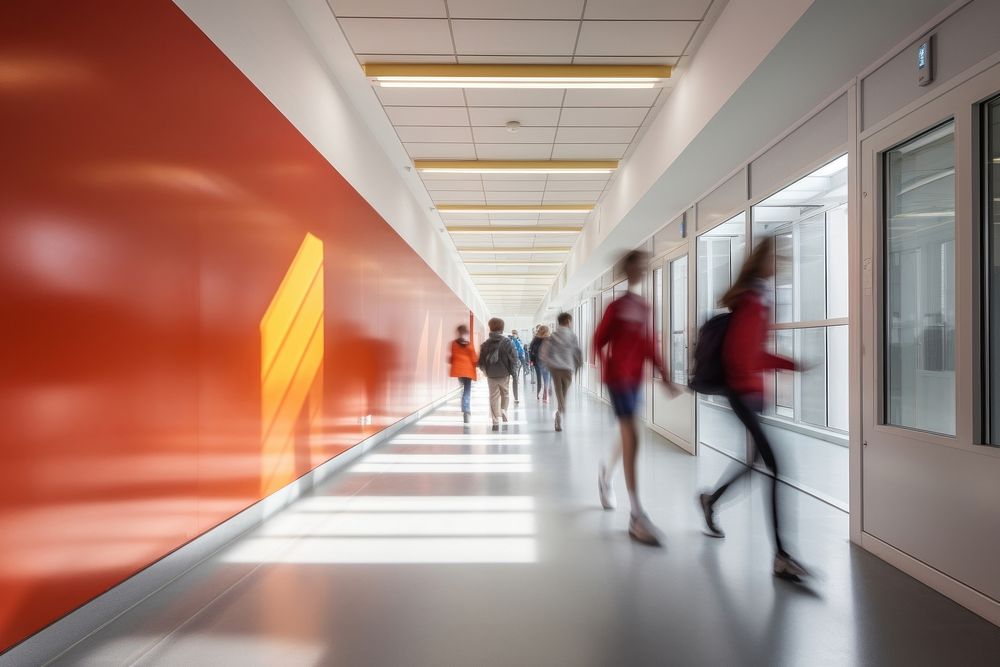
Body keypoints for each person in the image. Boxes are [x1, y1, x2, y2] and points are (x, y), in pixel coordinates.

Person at [697, 237, 810, 581]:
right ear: (765, 261)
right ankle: (781, 555)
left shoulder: (757, 297)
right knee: (775, 465)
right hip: (743, 392)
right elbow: (744, 355)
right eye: (779, 257)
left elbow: (750, 350)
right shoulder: (753, 299)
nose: (783, 262)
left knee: (755, 463)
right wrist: (790, 363)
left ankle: (711, 501)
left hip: (752, 393)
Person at [594, 250, 678, 546]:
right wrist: (606, 367)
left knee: (628, 433)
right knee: (633, 435)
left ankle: (606, 474)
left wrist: (665, 376)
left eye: (644, 265)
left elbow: (649, 344)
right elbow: (598, 340)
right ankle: (637, 515)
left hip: (635, 381)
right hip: (618, 379)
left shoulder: (644, 306)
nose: (642, 269)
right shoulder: (615, 306)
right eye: (637, 265)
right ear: (627, 270)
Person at [540, 312, 583, 432]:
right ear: (568, 321)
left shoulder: (552, 336)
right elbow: (577, 352)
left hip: (554, 368)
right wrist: (578, 365)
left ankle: (559, 411)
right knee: (564, 392)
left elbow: (545, 352)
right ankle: (560, 410)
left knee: (559, 391)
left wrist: (547, 363)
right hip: (567, 367)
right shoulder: (572, 336)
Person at [478, 317, 518, 432]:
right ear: (502, 328)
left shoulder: (485, 344)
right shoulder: (507, 342)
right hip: (504, 373)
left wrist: (485, 371)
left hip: (491, 375)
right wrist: (513, 372)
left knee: (493, 397)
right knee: (505, 394)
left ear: (490, 327)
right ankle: (504, 410)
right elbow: (514, 359)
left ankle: (495, 421)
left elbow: (480, 362)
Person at [448, 324, 478, 423]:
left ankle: (465, 407)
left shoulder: (453, 344)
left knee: (463, 389)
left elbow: (452, 358)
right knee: (467, 390)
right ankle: (466, 409)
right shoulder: (469, 344)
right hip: (468, 371)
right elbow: (474, 359)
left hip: (458, 371)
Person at [530, 326, 553, 403]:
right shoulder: (550, 340)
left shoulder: (535, 340)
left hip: (537, 362)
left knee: (539, 379)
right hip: (548, 362)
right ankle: (546, 392)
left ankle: (539, 394)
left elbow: (531, 351)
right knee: (547, 378)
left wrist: (532, 361)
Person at [508, 329, 527, 405]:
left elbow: (521, 352)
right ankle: (512, 397)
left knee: (515, 379)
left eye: (515, 333)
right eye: (513, 333)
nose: (514, 334)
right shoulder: (509, 341)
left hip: (516, 363)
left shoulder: (518, 341)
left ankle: (516, 397)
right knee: (514, 379)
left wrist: (522, 361)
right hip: (512, 362)